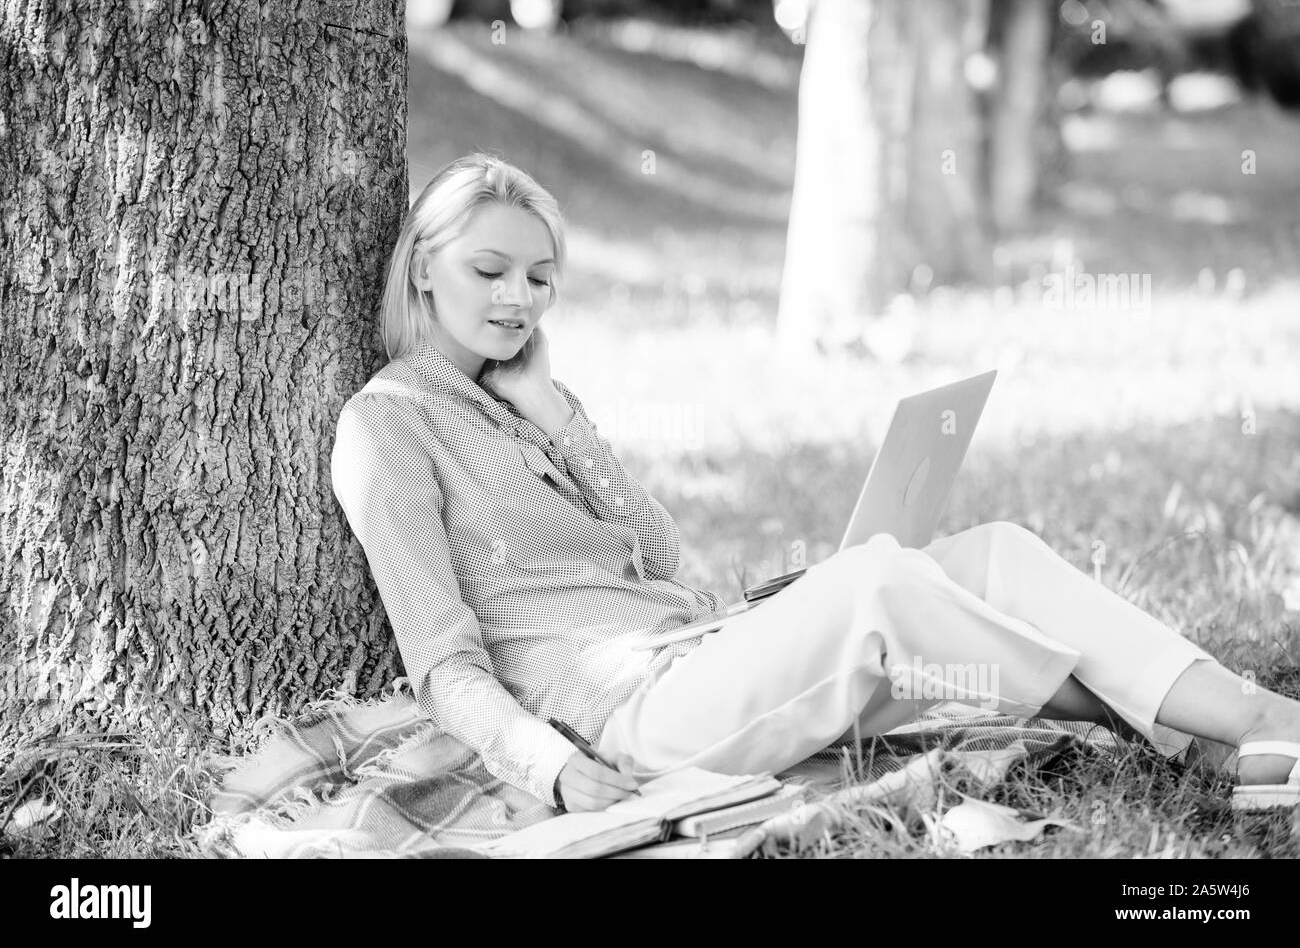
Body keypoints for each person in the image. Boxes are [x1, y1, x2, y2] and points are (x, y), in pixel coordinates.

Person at [329, 152, 1300, 817]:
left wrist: (560, 418)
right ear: (423, 268)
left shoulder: (530, 396)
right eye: (490, 270)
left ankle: (1248, 727)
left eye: (540, 278)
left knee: (990, 552)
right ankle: (1227, 733)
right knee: (877, 581)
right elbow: (441, 660)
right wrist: (548, 772)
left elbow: (660, 554)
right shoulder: (388, 425)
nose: (518, 300)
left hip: (703, 646)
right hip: (625, 716)